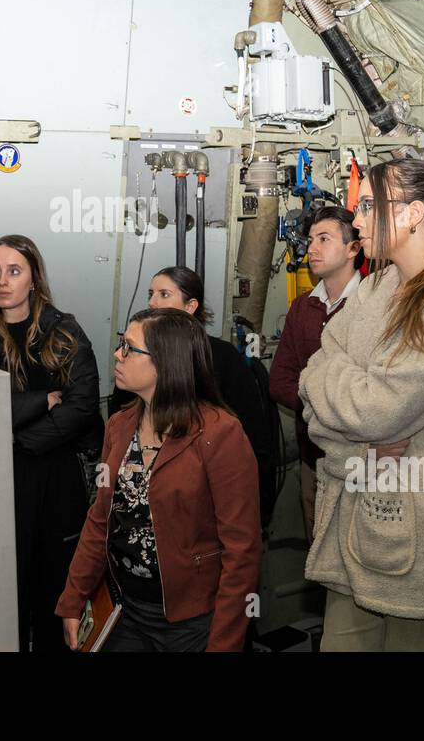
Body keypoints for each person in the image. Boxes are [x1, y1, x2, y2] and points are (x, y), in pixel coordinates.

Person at [298, 157, 424, 652]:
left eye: (368, 205)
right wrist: (363, 450)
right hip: (357, 532)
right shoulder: (376, 287)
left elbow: (373, 410)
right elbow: (310, 375)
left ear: (411, 214)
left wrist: (344, 397)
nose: (356, 218)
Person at [57, 308, 262, 651]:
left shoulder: (219, 434)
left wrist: (224, 643)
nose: (117, 354)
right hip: (126, 610)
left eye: (129, 348)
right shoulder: (120, 426)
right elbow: (99, 520)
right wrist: (73, 598)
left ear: (165, 362)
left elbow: (242, 552)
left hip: (191, 622)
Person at [0, 235, 101, 652]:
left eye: (14, 271)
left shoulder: (63, 330)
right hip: (0, 482)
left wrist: (20, 439)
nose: (3, 281)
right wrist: (42, 400)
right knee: (6, 585)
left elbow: (83, 405)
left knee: (55, 585)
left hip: (57, 477)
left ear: (34, 279)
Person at [108, 266, 275, 525]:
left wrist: (260, 512)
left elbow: (254, 437)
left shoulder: (222, 358)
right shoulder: (134, 363)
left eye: (164, 294)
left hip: (202, 508)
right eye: (150, 294)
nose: (153, 302)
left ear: (190, 306)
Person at [269, 206, 364, 540]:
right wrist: (327, 406)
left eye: (324, 239)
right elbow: (280, 381)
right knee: (318, 542)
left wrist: (318, 402)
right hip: (314, 457)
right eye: (311, 240)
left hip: (361, 458)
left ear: (354, 248)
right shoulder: (302, 307)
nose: (312, 248)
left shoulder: (372, 306)